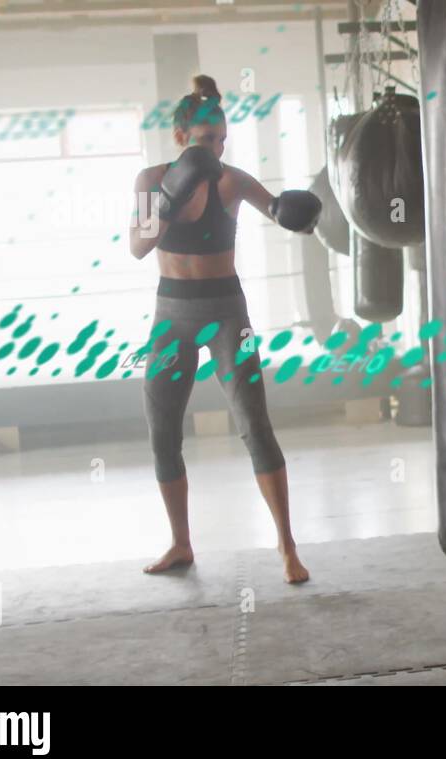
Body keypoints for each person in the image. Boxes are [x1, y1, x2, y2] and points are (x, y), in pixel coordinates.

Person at [128, 75, 321, 584]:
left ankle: (287, 548)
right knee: (162, 431)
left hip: (226, 313)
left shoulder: (233, 181)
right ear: (180, 137)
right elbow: (138, 247)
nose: (214, 149)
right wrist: (172, 195)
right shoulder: (151, 180)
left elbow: (279, 212)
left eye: (220, 140)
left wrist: (296, 215)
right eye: (204, 140)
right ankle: (180, 544)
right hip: (170, 315)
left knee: (255, 425)